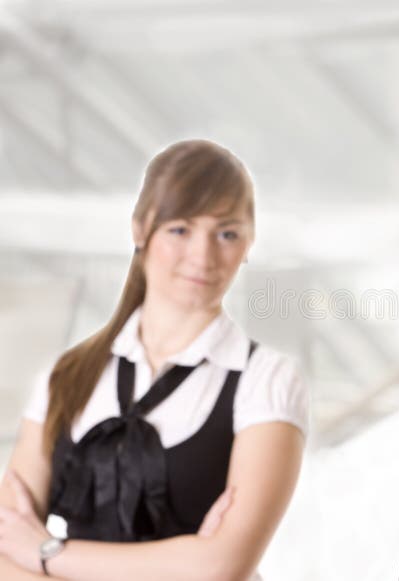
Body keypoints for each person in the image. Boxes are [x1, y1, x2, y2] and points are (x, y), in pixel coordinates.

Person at [0, 140, 308, 581]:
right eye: (180, 230)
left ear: (248, 243)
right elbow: (5, 546)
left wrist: (46, 552)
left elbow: (220, 566)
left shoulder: (266, 381)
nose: (202, 256)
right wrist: (182, 560)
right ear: (141, 229)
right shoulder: (67, 377)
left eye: (226, 234)